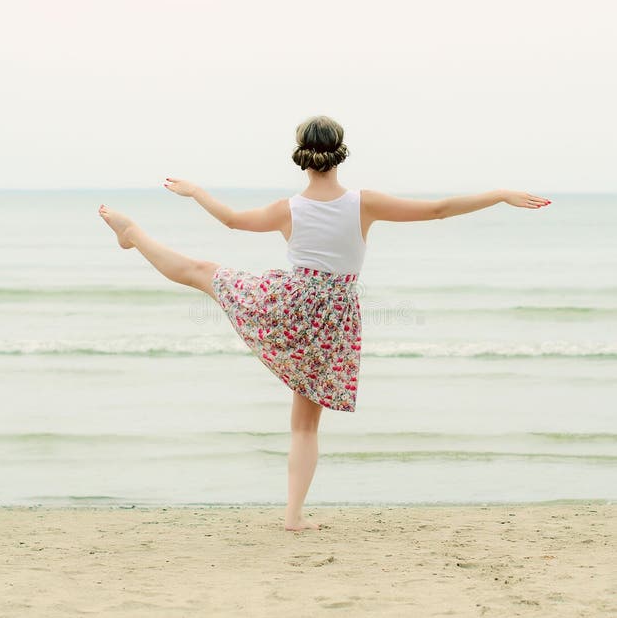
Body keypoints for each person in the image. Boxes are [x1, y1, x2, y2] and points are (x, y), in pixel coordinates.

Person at [98, 115, 551, 531]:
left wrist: (196, 191)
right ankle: (293, 516)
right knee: (304, 425)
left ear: (301, 155)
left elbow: (232, 221)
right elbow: (439, 209)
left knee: (200, 272)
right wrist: (499, 195)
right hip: (333, 319)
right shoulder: (364, 203)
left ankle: (133, 234)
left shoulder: (289, 208)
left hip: (289, 305)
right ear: (341, 152)